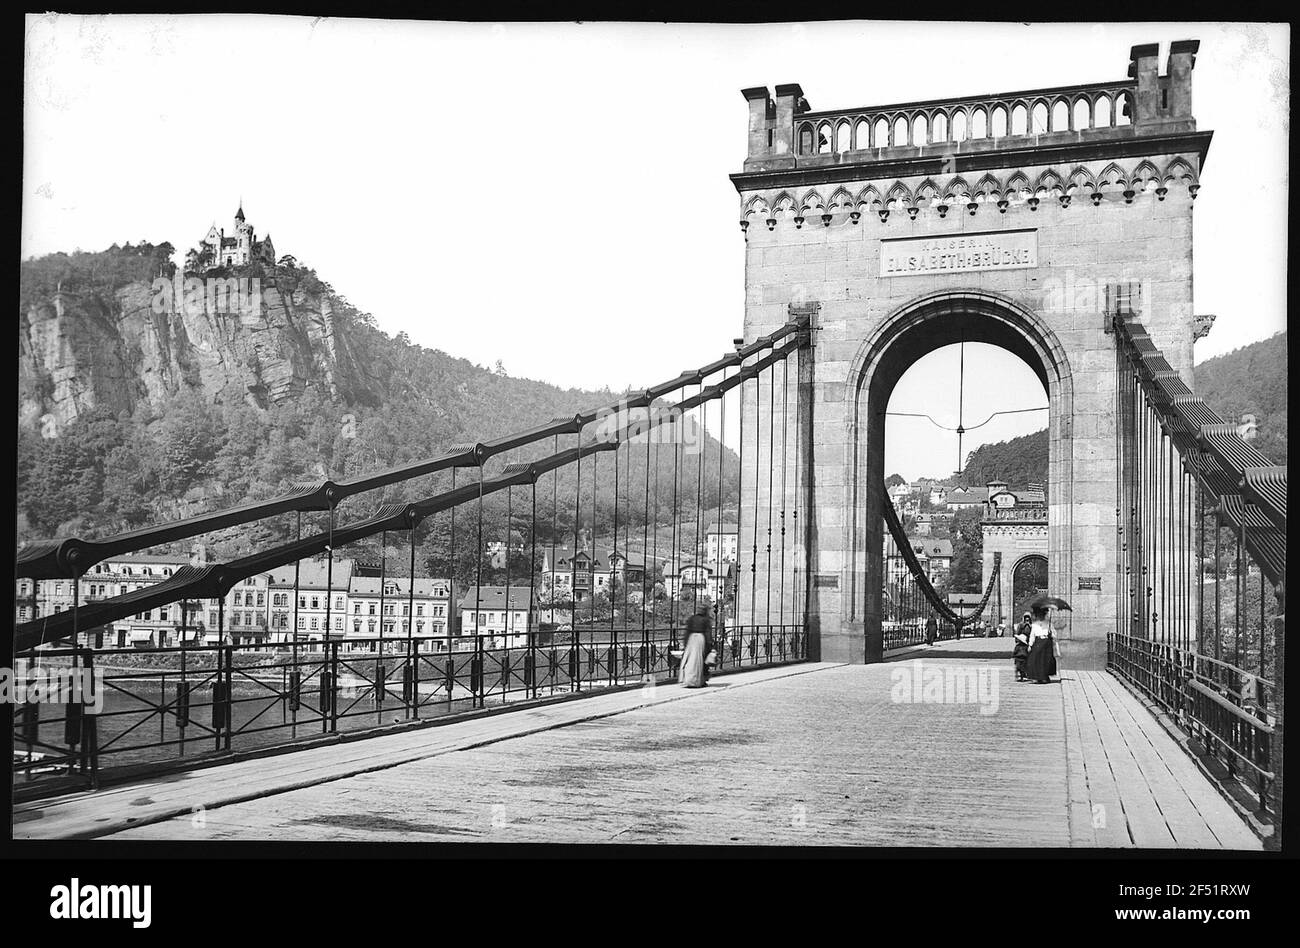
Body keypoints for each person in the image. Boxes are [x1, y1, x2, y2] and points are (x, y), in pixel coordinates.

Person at [680, 604, 713, 688]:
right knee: (701, 660)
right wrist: (709, 644)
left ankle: (688, 679)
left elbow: (687, 631)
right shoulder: (706, 620)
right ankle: (699, 680)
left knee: (689, 660)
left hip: (691, 639)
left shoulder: (692, 618)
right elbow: (708, 632)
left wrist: (685, 642)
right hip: (701, 639)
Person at [1024, 604, 1057, 684]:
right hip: (1038, 642)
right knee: (1035, 659)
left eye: (1043, 614)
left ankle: (1045, 676)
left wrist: (1051, 634)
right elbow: (1032, 635)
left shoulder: (1049, 624)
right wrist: (1030, 645)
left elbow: (1055, 634)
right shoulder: (1035, 625)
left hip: (1047, 642)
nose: (1041, 616)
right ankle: (1037, 676)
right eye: (1039, 615)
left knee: (1046, 661)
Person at [1012, 612, 1031, 681]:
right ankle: (1020, 674)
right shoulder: (1020, 625)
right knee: (1019, 663)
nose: (1027, 620)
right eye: (1026, 619)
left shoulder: (1031, 625)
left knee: (1026, 660)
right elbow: (1018, 632)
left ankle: (1025, 673)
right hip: (1021, 640)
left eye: (1028, 619)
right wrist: (1017, 640)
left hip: (1027, 642)